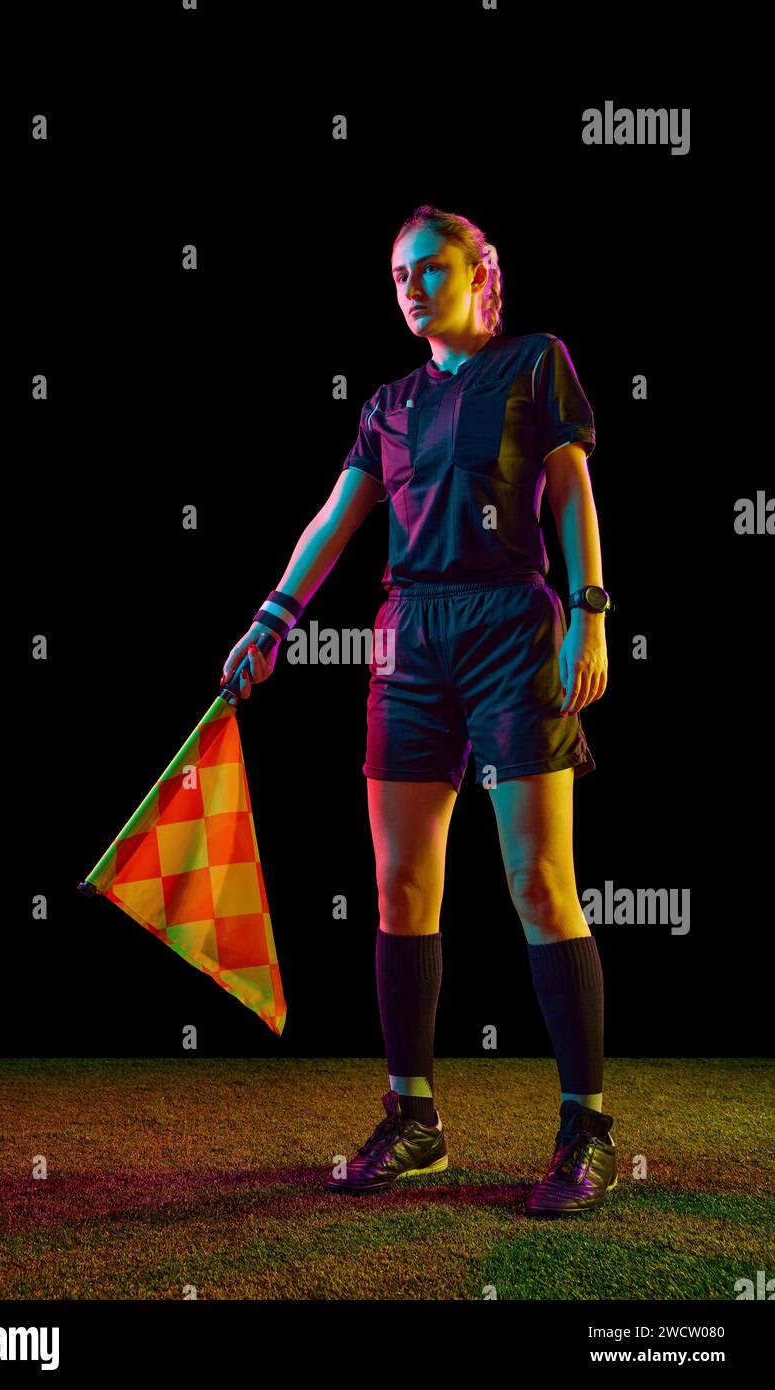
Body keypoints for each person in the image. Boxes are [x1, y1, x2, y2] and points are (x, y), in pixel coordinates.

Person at [220, 204, 617, 1216]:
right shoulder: (388, 403)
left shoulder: (535, 362)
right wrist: (272, 618)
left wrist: (590, 611)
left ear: (481, 272)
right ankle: (415, 1120)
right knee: (400, 888)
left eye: (430, 268)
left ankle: (586, 1129)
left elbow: (570, 489)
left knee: (539, 880)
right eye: (397, 274)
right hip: (407, 640)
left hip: (513, 629)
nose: (410, 286)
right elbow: (334, 517)